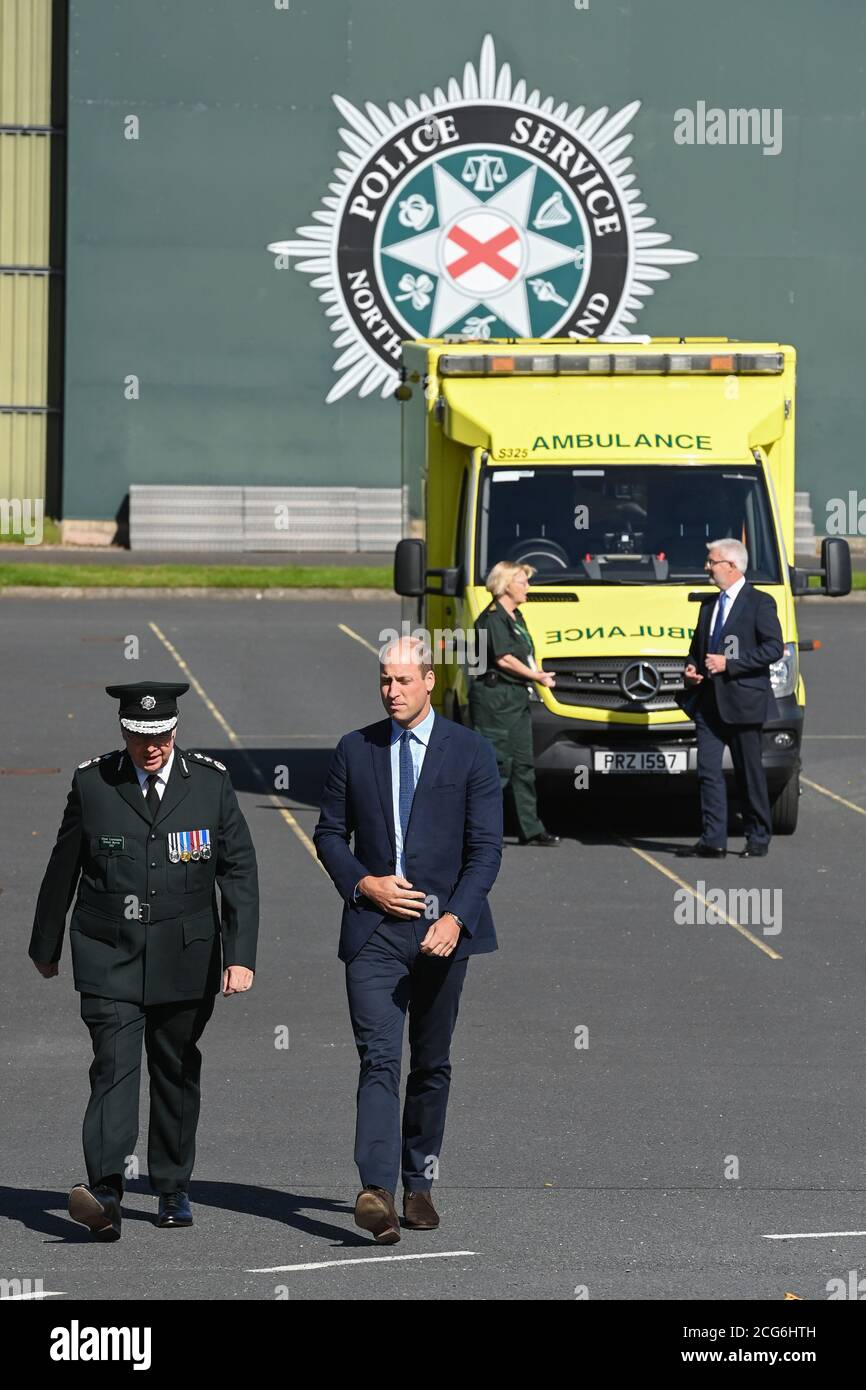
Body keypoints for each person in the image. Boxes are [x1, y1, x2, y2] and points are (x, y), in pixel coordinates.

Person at [29, 681, 259, 1240]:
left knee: (176, 1071)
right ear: (124, 732)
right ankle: (105, 1191)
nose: (150, 748)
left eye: (159, 736)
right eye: (138, 736)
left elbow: (239, 873)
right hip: (109, 954)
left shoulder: (209, 784)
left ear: (174, 730)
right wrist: (46, 943)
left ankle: (172, 1186)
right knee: (112, 1067)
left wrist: (241, 955)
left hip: (187, 958)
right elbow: (64, 867)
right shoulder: (94, 784)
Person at [313, 636, 502, 1244]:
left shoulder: (470, 752)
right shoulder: (354, 748)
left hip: (441, 934)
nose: (390, 691)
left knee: (431, 1062)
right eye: (383, 681)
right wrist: (363, 883)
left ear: (428, 680)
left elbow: (485, 851)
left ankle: (419, 1183)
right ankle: (375, 1193)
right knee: (379, 1059)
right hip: (373, 931)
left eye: (401, 680)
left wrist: (456, 920)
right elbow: (328, 835)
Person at [676, 539, 784, 859]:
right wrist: (691, 668)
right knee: (708, 772)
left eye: (712, 562)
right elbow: (697, 650)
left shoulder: (759, 603)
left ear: (732, 566)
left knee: (749, 773)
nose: (707, 567)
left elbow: (773, 648)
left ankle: (758, 838)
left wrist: (730, 664)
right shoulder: (708, 605)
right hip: (709, 704)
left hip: (744, 703)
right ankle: (713, 840)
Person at [469, 561, 560, 846]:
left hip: (516, 697)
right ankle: (481, 833)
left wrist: (535, 676)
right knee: (498, 766)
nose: (528, 587)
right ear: (507, 585)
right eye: (523, 582)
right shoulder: (494, 618)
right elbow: (504, 658)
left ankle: (530, 829)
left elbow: (524, 653)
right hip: (497, 700)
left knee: (523, 765)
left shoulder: (515, 616)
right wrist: (537, 677)